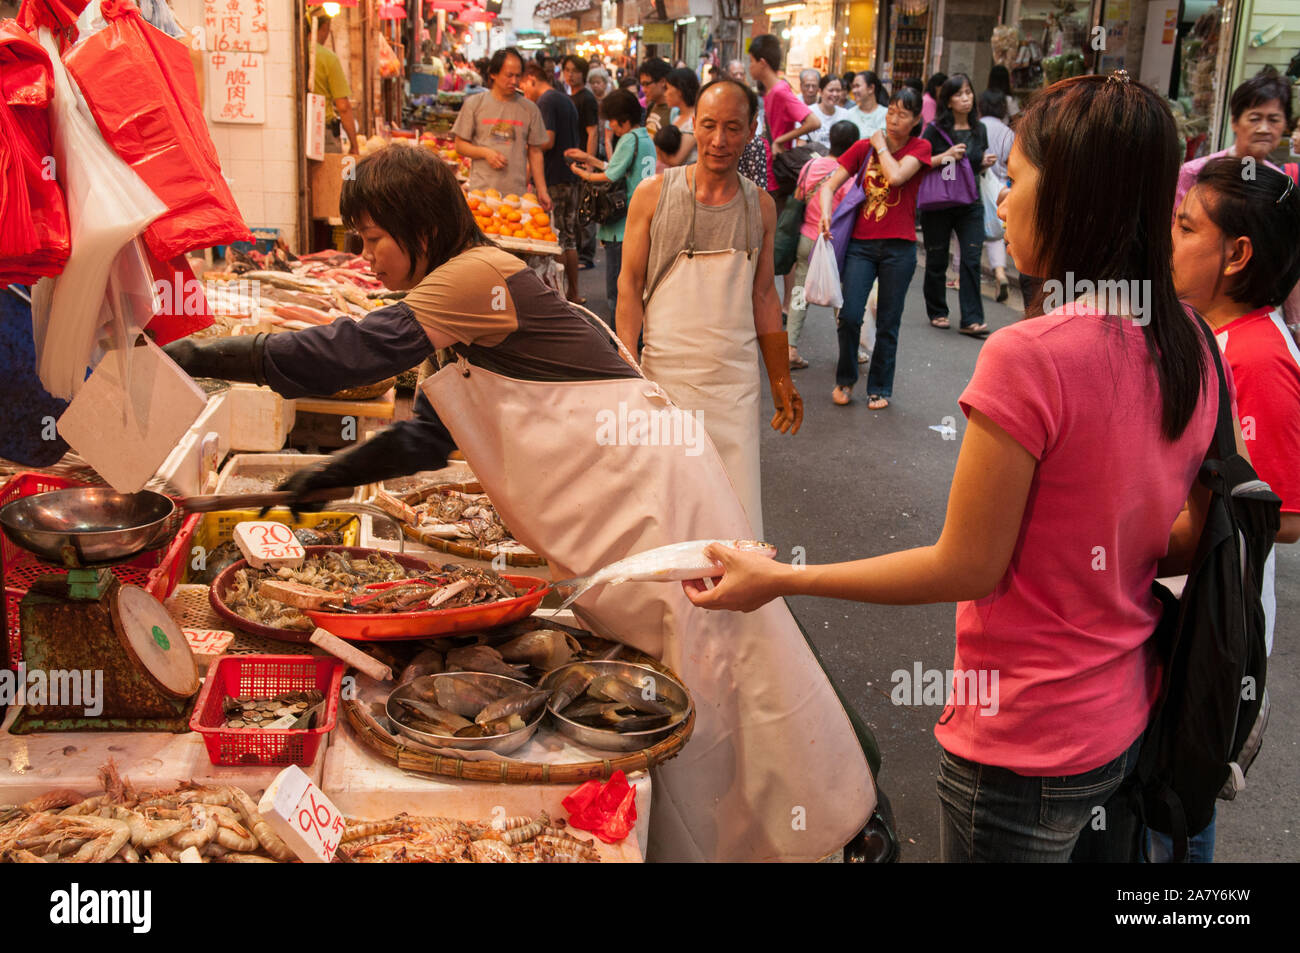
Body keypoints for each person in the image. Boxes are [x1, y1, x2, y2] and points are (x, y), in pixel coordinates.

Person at [685, 73, 1229, 864]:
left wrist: (783, 579)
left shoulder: (1031, 355)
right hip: (1125, 718)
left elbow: (966, 564)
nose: (1000, 201)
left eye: (1021, 178)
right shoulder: (1190, 340)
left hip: (1024, 743)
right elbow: (1181, 536)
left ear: (1076, 198)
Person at [1159, 159, 1300, 862]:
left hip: (1213, 619)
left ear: (1238, 254)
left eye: (1186, 228)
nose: (1169, 238)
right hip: (1186, 607)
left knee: (1180, 795)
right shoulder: (1210, 335)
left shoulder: (1253, 356)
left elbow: (1286, 509)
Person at [618, 78, 803, 537]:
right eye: (708, 125)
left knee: (733, 514)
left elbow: (764, 295)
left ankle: (734, 605)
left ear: (752, 129)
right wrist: (624, 369)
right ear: (692, 127)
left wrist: (780, 376)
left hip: (734, 389)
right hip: (666, 381)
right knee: (667, 511)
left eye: (733, 127)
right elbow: (630, 284)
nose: (719, 140)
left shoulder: (759, 206)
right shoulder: (653, 195)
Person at [818, 89, 931, 409]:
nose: (894, 119)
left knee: (888, 322)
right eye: (891, 112)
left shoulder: (920, 148)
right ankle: (846, 378)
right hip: (860, 247)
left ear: (916, 120)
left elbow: (895, 177)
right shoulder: (862, 147)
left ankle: (880, 387)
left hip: (900, 249)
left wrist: (881, 146)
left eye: (903, 115)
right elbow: (829, 185)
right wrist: (826, 212)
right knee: (850, 315)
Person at [566, 89, 656, 327]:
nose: (611, 128)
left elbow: (610, 175)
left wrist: (581, 173)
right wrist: (590, 159)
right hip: (640, 221)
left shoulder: (628, 139)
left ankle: (620, 339)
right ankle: (634, 337)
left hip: (622, 224)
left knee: (618, 288)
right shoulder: (645, 138)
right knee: (636, 286)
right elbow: (618, 167)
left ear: (624, 120)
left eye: (613, 123)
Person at [921, 73, 997, 335]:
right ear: (948, 101)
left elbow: (971, 163)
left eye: (968, 92)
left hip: (969, 201)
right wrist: (945, 156)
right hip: (939, 203)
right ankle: (938, 310)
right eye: (959, 94)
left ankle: (971, 319)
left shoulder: (980, 129)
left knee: (972, 259)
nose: (966, 98)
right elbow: (920, 162)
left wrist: (983, 163)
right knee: (937, 258)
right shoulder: (934, 129)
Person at [786, 119, 859, 369]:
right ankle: (851, 350)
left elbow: (798, 197)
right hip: (834, 243)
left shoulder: (810, 165)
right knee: (841, 296)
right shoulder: (849, 175)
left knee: (799, 292)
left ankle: (790, 347)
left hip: (806, 237)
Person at [1174, 68, 1292, 218]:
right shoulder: (1194, 174)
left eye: (1274, 120)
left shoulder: (1280, 186)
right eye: (1255, 119)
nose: (1264, 129)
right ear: (1234, 122)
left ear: (1285, 125)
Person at [452, 48, 550, 209]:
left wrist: (542, 190)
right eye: (509, 75)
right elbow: (459, 145)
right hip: (481, 195)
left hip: (516, 197)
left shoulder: (529, 109)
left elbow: (535, 151)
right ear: (493, 74)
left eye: (518, 76)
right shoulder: (475, 104)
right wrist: (485, 153)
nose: (514, 81)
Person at [521, 61, 584, 305]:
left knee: (554, 239)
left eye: (523, 83)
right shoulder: (564, 98)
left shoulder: (546, 101)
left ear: (532, 79)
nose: (523, 91)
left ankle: (559, 298)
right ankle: (574, 293)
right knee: (568, 237)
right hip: (568, 176)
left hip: (554, 178)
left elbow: (546, 140)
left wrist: (527, 142)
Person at [747, 34, 821, 195]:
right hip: (769, 167)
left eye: (751, 61)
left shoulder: (780, 91)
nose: (750, 67)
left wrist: (780, 140)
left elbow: (814, 122)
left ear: (762, 63)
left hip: (778, 169)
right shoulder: (771, 91)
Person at [563, 55, 601, 271]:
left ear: (583, 74)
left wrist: (589, 162)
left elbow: (592, 131)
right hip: (574, 162)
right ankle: (581, 251)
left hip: (584, 162)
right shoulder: (571, 96)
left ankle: (586, 255)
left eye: (575, 70)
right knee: (577, 208)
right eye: (567, 70)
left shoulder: (586, 99)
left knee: (585, 208)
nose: (570, 74)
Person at [979, 88, 1014, 303]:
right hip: (1001, 189)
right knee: (996, 236)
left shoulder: (978, 127)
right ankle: (1000, 273)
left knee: (970, 233)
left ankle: (965, 278)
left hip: (978, 185)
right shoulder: (1008, 132)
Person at [312, 14, 358, 156]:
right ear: (324, 27)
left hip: (301, 131)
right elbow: (343, 107)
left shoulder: (297, 53)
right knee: (331, 177)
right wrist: (354, 145)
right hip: (323, 133)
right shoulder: (327, 57)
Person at [662, 67, 699, 166]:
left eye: (668, 88)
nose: (665, 94)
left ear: (679, 91)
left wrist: (657, 150)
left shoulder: (693, 120)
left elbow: (676, 160)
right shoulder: (677, 116)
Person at [806, 74, 851, 150]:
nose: (835, 94)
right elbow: (801, 144)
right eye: (831, 90)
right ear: (820, 91)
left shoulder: (845, 115)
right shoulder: (808, 112)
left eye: (838, 90)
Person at [845, 71, 888, 140]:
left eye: (857, 86)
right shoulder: (849, 114)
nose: (854, 91)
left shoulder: (886, 114)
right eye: (853, 87)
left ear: (871, 88)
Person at [638, 57, 673, 135]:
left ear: (662, 81)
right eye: (642, 85)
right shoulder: (651, 105)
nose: (643, 90)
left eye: (646, 84)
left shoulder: (675, 111)